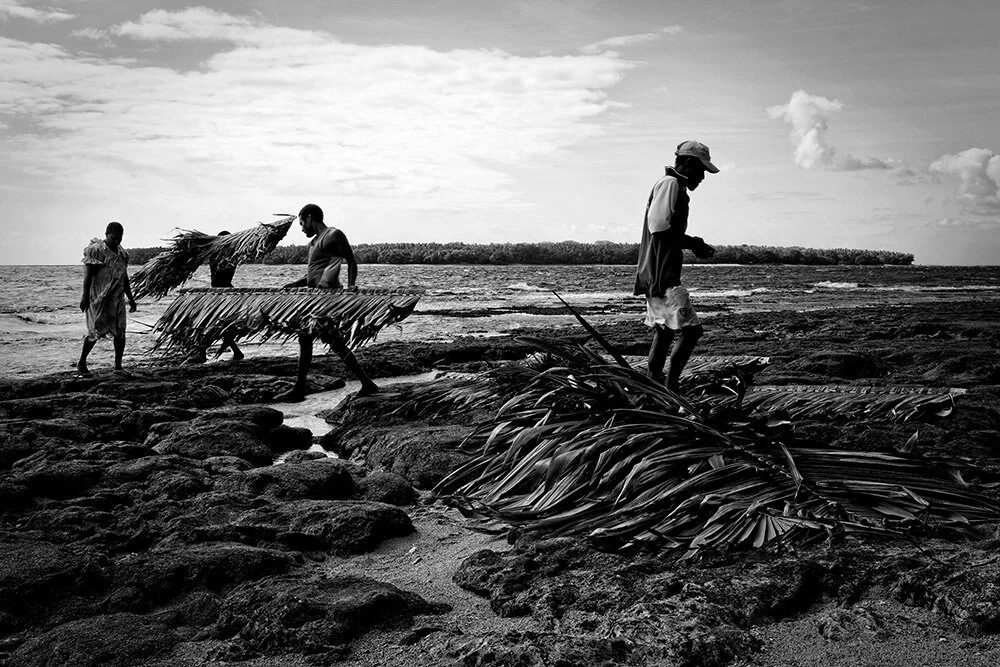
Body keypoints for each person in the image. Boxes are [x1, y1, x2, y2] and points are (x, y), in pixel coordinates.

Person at [634, 140, 719, 392]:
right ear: (689, 163)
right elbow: (659, 228)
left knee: (664, 332)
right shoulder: (671, 184)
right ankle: (671, 391)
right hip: (664, 276)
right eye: (702, 170)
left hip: (655, 275)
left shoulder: (670, 185)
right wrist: (693, 242)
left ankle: (653, 390)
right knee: (692, 332)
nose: (703, 177)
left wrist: (693, 244)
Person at [276, 204, 378, 402]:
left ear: (310, 217)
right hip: (315, 300)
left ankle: (300, 390)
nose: (302, 228)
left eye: (302, 223)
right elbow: (313, 275)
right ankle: (366, 383)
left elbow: (350, 260)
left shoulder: (332, 235)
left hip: (328, 300)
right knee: (315, 339)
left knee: (324, 340)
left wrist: (351, 286)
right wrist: (294, 284)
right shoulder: (313, 243)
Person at [78, 221, 137, 376]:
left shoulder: (122, 254)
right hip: (99, 298)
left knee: (120, 331)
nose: (117, 241)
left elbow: (124, 278)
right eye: (114, 238)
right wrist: (84, 297)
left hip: (117, 299)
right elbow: (88, 276)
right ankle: (82, 363)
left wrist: (131, 298)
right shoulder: (96, 250)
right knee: (95, 331)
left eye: (119, 238)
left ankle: (118, 366)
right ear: (106, 235)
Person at [188, 231, 245, 363]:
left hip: (221, 293)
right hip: (224, 291)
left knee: (205, 322)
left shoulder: (223, 257)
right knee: (222, 325)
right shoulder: (230, 256)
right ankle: (236, 352)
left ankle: (201, 353)